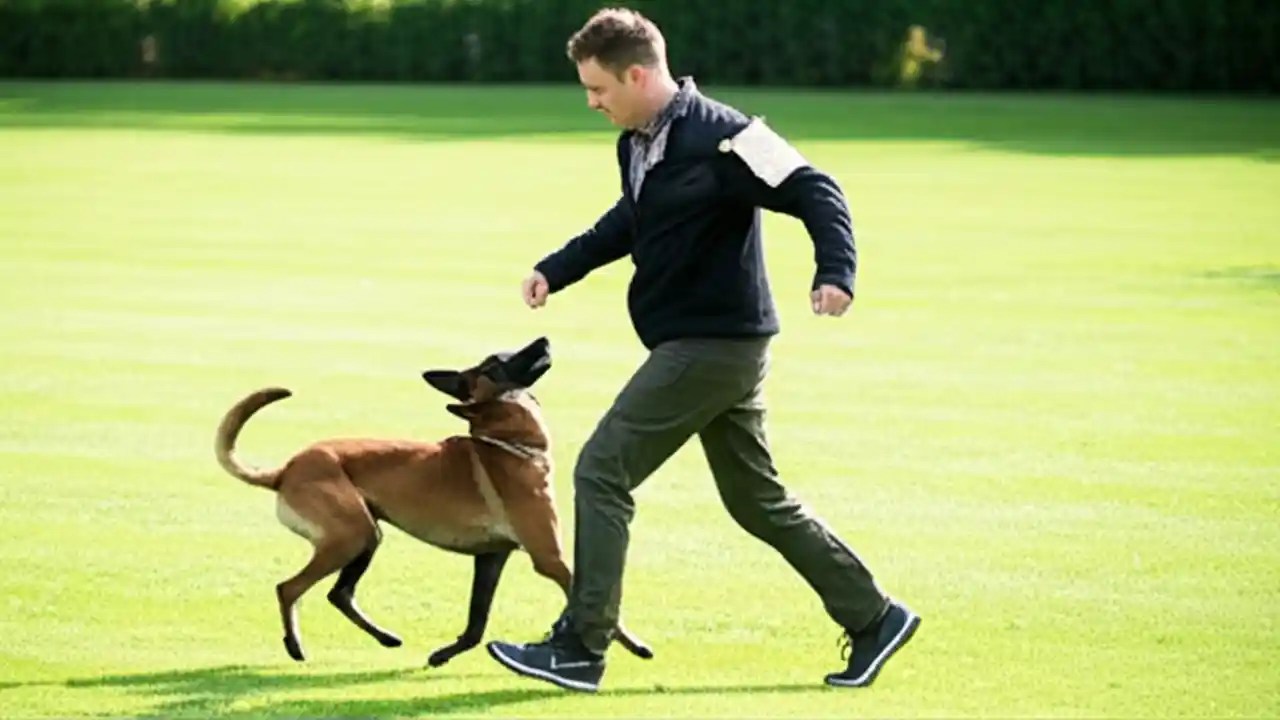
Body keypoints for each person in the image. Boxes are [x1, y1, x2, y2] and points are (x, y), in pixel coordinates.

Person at [485, 7, 921, 693]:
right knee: (757, 500)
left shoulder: (729, 136)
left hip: (714, 344)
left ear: (637, 73)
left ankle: (580, 645)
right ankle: (875, 617)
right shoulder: (636, 141)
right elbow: (631, 217)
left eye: (598, 89)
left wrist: (836, 271)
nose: (592, 103)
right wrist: (558, 267)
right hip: (705, 343)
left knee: (601, 470)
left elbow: (816, 189)